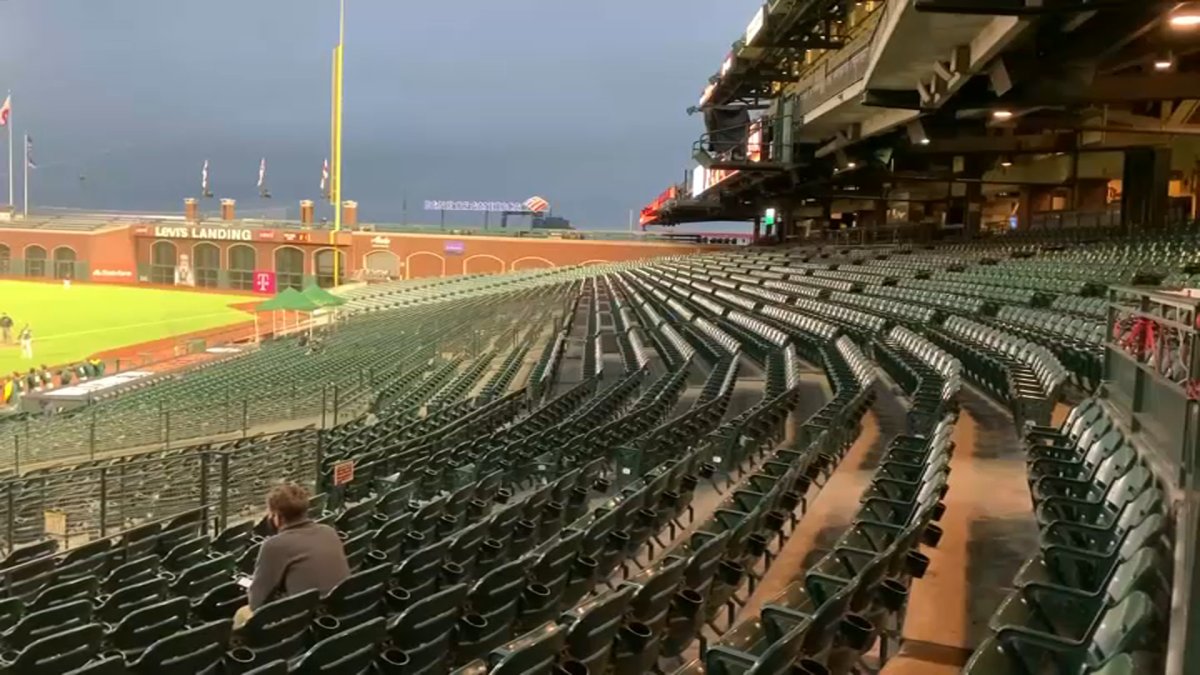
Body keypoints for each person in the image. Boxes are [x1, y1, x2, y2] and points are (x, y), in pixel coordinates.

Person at [234, 483, 349, 628]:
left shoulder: (274, 545)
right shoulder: (329, 531)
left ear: (276, 517)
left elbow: (257, 603)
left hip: (302, 620)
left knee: (241, 614)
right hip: (337, 610)